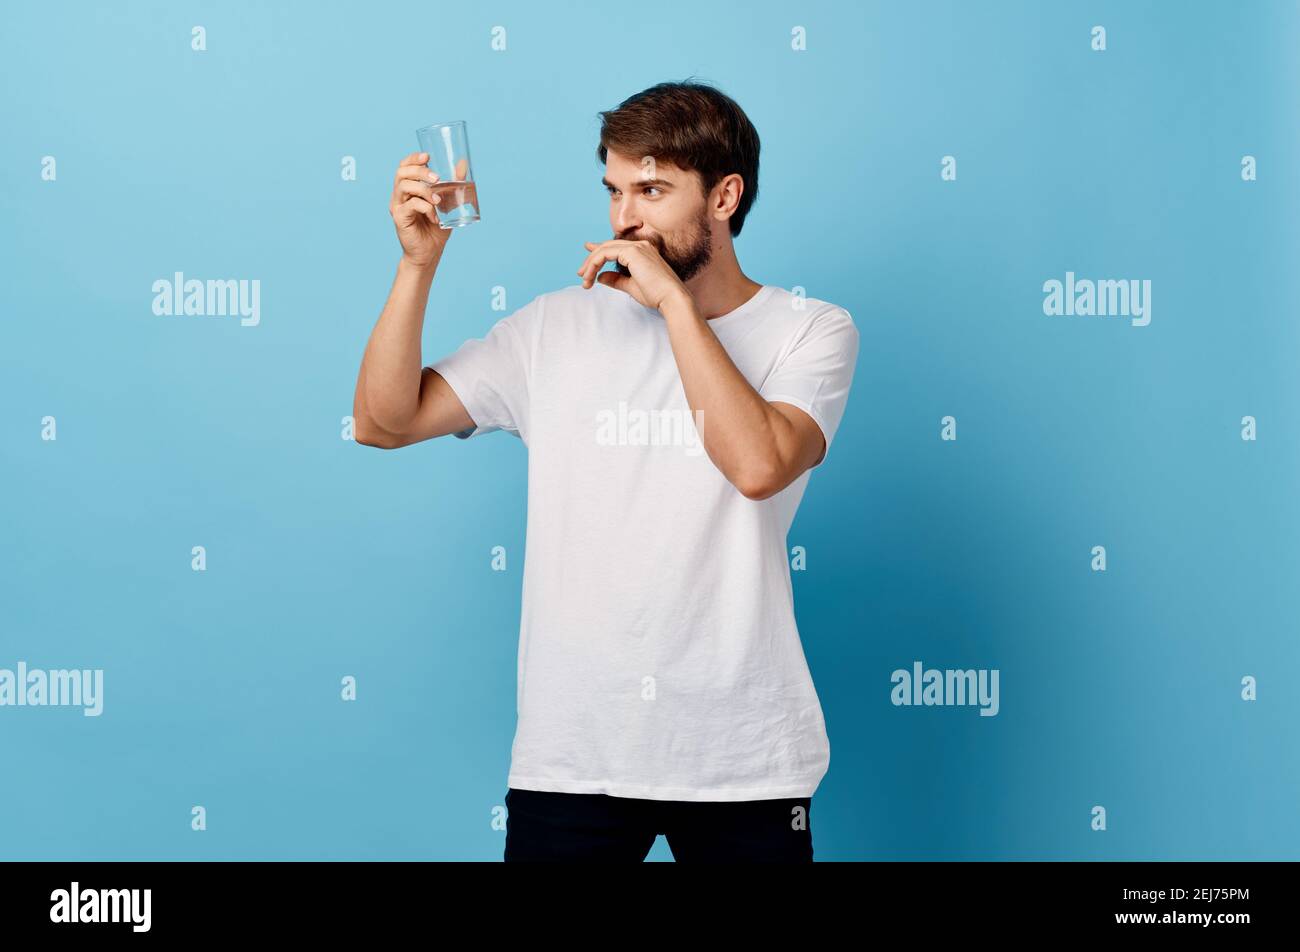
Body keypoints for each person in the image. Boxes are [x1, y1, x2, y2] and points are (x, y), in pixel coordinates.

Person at [352, 79, 859, 862]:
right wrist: (418, 266)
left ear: (724, 196)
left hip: (744, 758)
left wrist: (674, 309)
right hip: (573, 756)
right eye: (616, 190)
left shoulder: (811, 330)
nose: (627, 218)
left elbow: (758, 466)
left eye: (653, 190)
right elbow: (383, 424)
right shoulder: (554, 326)